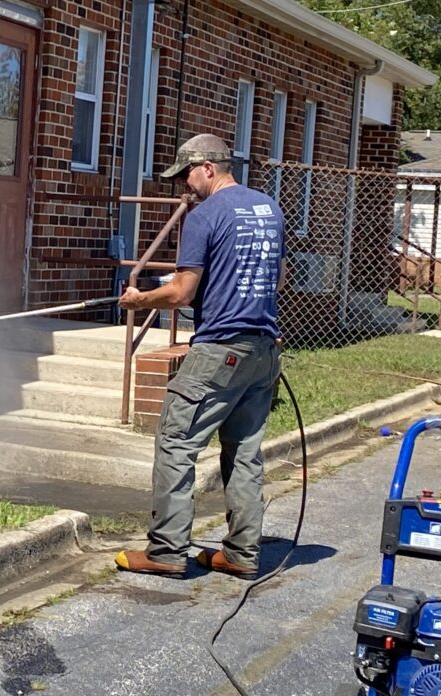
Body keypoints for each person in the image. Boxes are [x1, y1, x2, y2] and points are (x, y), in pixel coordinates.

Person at [114, 133, 285, 580]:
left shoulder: (205, 215)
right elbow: (275, 277)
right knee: (244, 451)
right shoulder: (269, 208)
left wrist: (139, 299)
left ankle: (167, 551)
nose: (183, 187)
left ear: (208, 167)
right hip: (263, 349)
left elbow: (181, 293)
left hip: (221, 350)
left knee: (176, 442)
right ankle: (242, 554)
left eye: (186, 175)